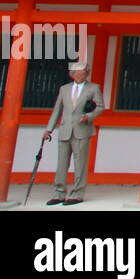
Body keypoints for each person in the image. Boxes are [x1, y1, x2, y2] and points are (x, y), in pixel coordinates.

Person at [42, 61, 105, 206]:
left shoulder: (93, 88)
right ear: (71, 74)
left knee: (80, 164)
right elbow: (57, 110)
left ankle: (77, 194)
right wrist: (49, 129)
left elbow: (100, 107)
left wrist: (89, 117)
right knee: (61, 164)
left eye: (84, 73)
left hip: (82, 129)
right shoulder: (64, 89)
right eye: (78, 73)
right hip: (65, 129)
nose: (81, 75)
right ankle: (59, 193)